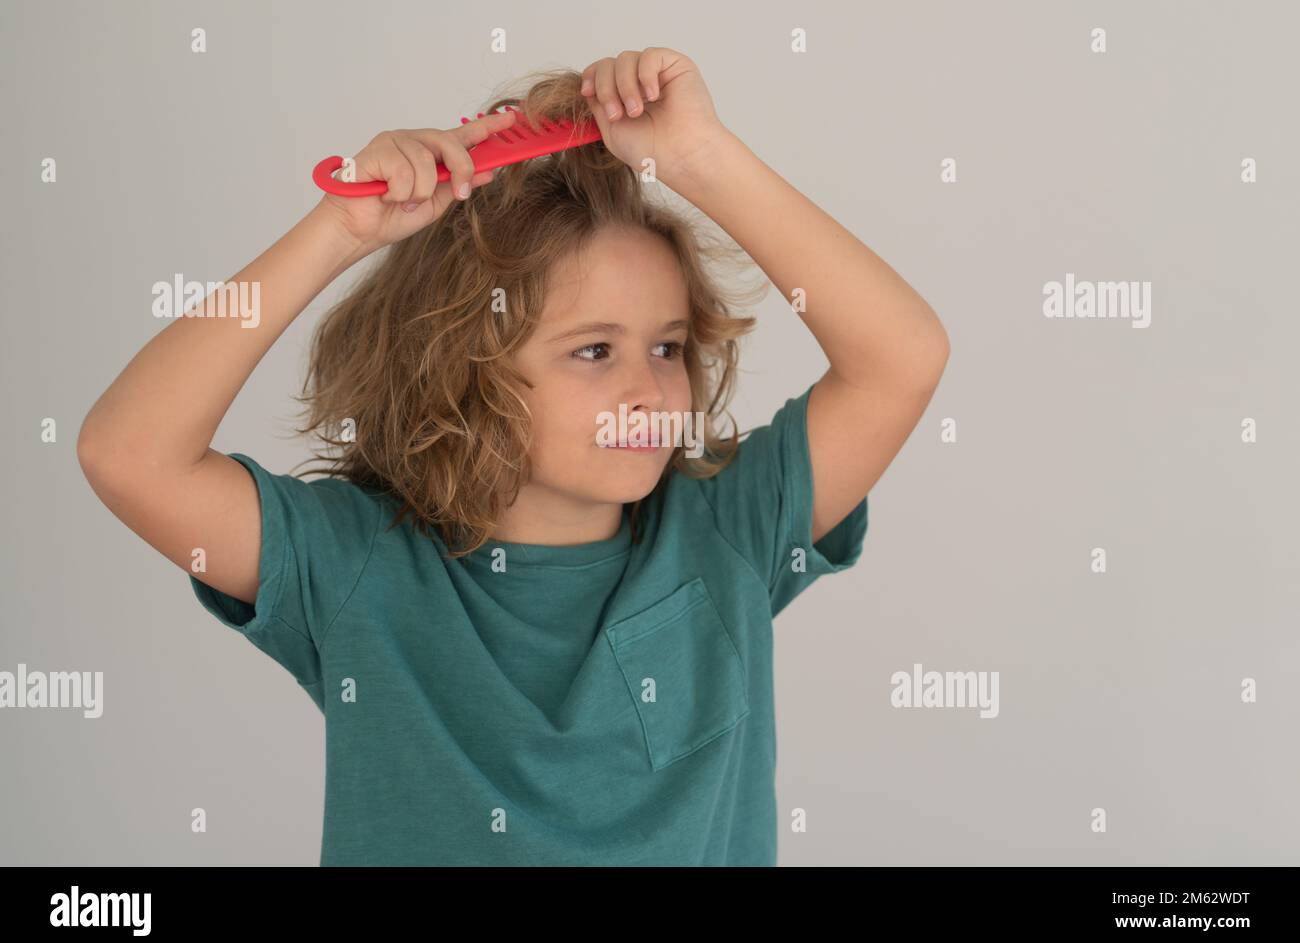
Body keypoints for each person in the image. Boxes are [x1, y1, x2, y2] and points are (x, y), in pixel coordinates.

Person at [77, 48, 949, 865]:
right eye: (594, 351)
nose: (650, 391)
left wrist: (696, 157)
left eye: (669, 347)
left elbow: (902, 358)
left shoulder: (731, 527)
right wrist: (339, 230)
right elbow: (129, 454)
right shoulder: (354, 565)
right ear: (463, 370)